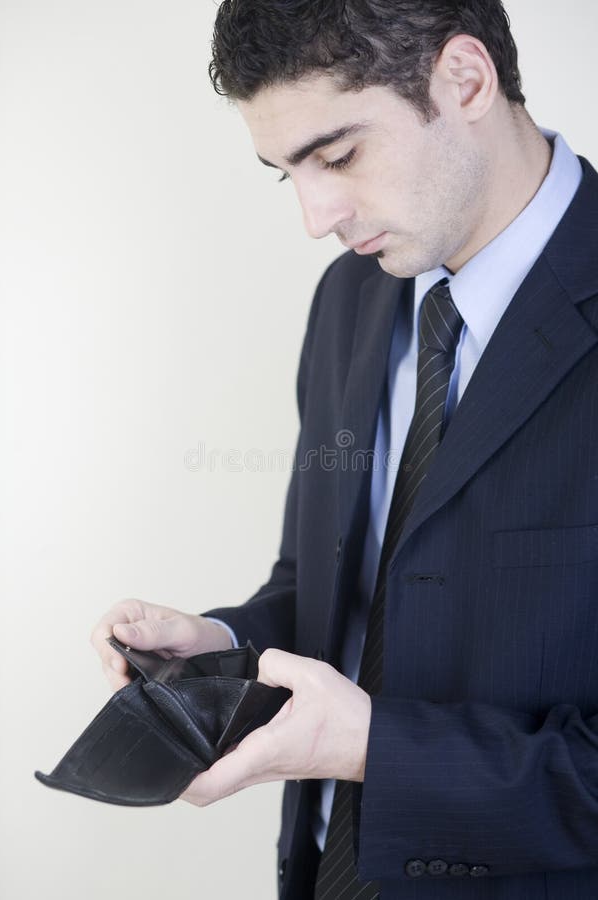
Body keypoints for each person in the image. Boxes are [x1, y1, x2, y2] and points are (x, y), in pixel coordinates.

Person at [91, 1, 598, 897]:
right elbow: (330, 587)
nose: (316, 216)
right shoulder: (348, 302)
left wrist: (377, 750)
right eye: (288, 172)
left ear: (467, 79)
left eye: (339, 154)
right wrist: (223, 648)